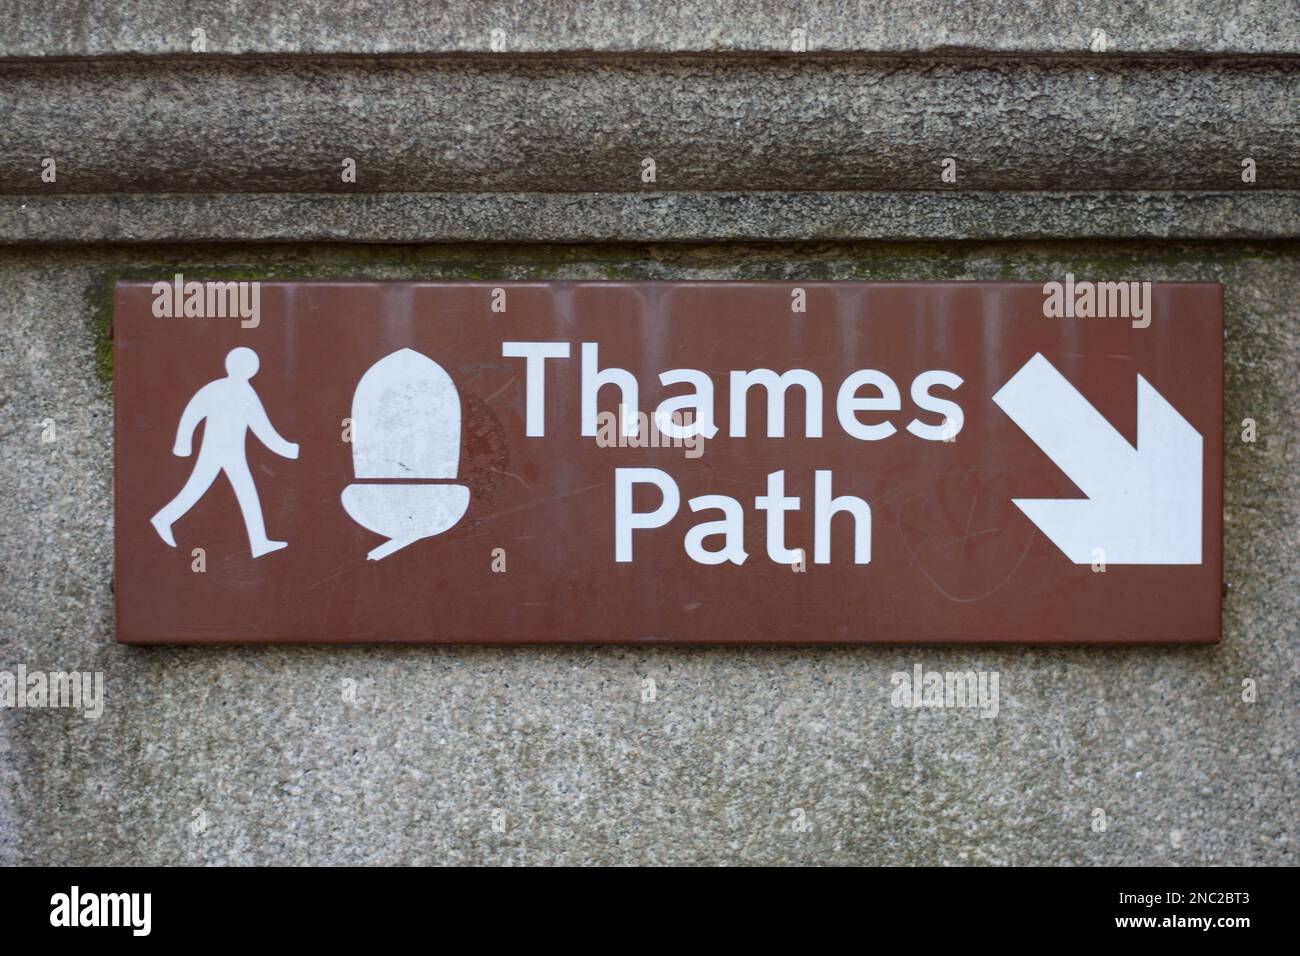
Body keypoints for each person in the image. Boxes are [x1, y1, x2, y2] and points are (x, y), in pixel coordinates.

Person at [150, 347, 299, 557]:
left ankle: (258, 542)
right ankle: (163, 518)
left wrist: (289, 450)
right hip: (216, 452)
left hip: (232, 453)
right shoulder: (223, 390)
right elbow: (192, 414)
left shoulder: (238, 392)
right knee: (201, 489)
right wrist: (182, 444)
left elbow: (262, 428)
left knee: (237, 492)